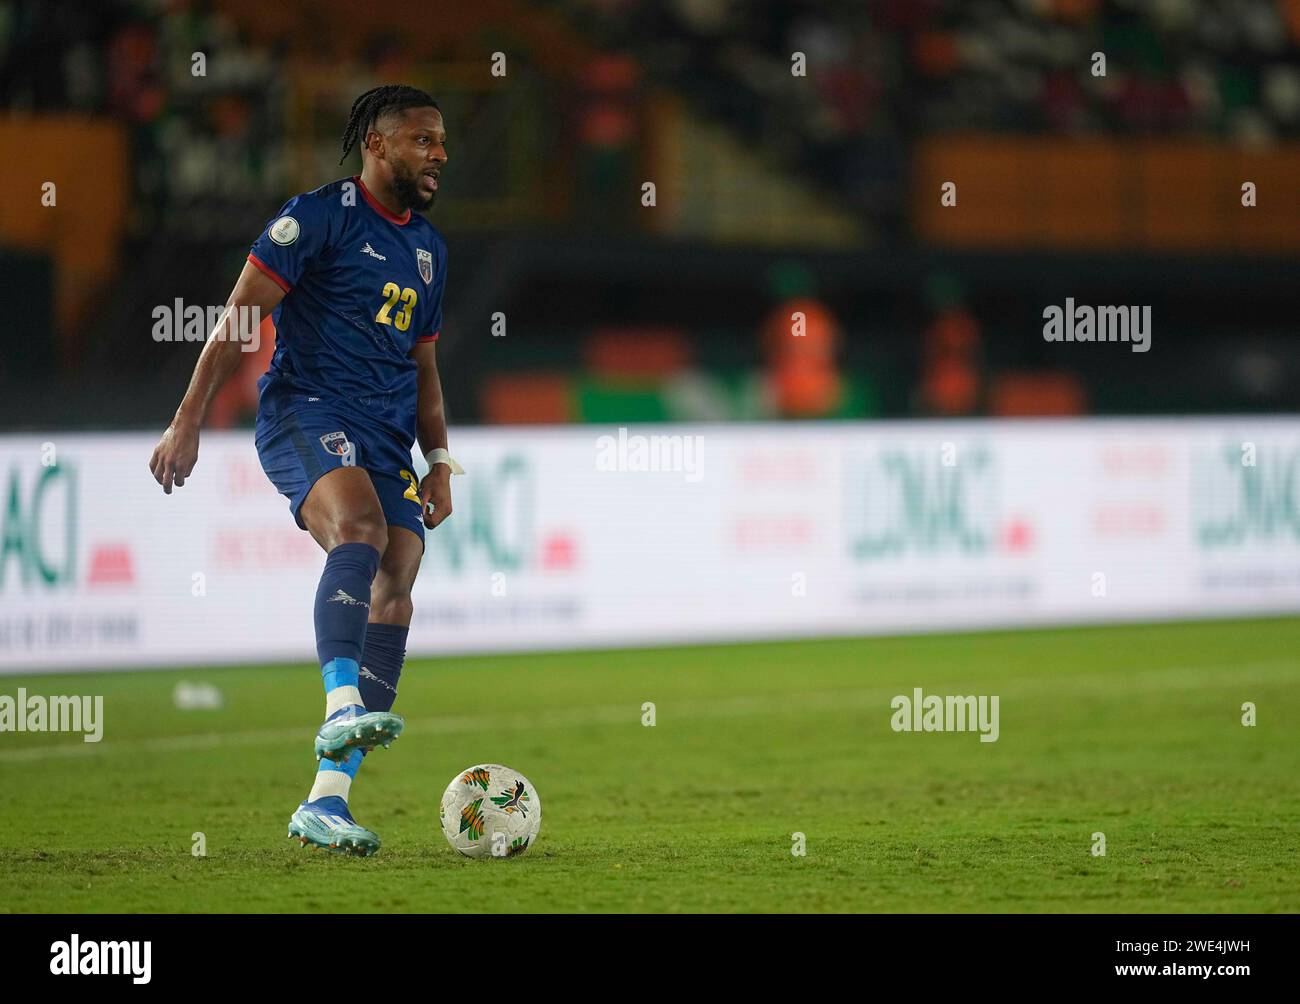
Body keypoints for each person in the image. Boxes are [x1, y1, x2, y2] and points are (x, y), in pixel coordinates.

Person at [148, 85, 459, 856]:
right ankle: (340, 703)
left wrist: (440, 458)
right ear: (377, 145)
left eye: (442, 142)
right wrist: (187, 420)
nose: (439, 155)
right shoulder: (316, 217)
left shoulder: (429, 249)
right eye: (423, 141)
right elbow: (238, 318)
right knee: (357, 527)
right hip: (306, 410)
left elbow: (426, 368)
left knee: (401, 570)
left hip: (388, 436)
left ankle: (328, 800)